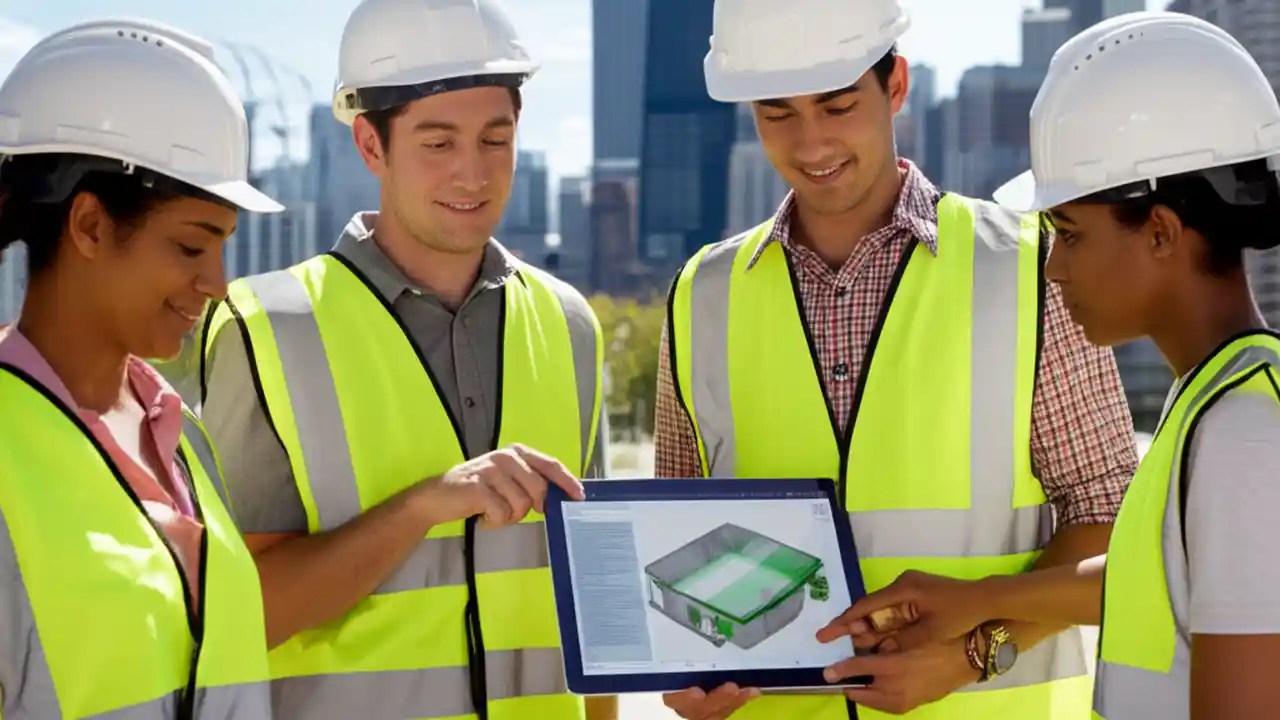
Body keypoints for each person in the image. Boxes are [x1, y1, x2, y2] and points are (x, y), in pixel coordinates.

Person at [654, 0, 1141, 718]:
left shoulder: (1031, 267)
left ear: (896, 87)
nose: (811, 141)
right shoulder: (702, 293)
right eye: (777, 112)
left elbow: (1112, 521)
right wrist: (684, 672)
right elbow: (676, 529)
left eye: (838, 104)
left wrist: (974, 652)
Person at [818, 11, 1280, 720]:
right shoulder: (1215, 402)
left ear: (1161, 232)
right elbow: (1157, 577)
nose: (1054, 267)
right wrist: (978, 601)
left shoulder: (1240, 435)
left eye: (1069, 233)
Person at [195, 0, 613, 718]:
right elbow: (243, 618)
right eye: (438, 143)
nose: (472, 174)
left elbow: (593, 598)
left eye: (495, 138)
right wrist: (421, 508)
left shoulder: (567, 321)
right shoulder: (266, 327)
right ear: (370, 144)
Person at [0, 18, 283, 719]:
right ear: (90, 226)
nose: (217, 283)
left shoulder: (181, 434)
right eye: (191, 247)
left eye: (223, 247)